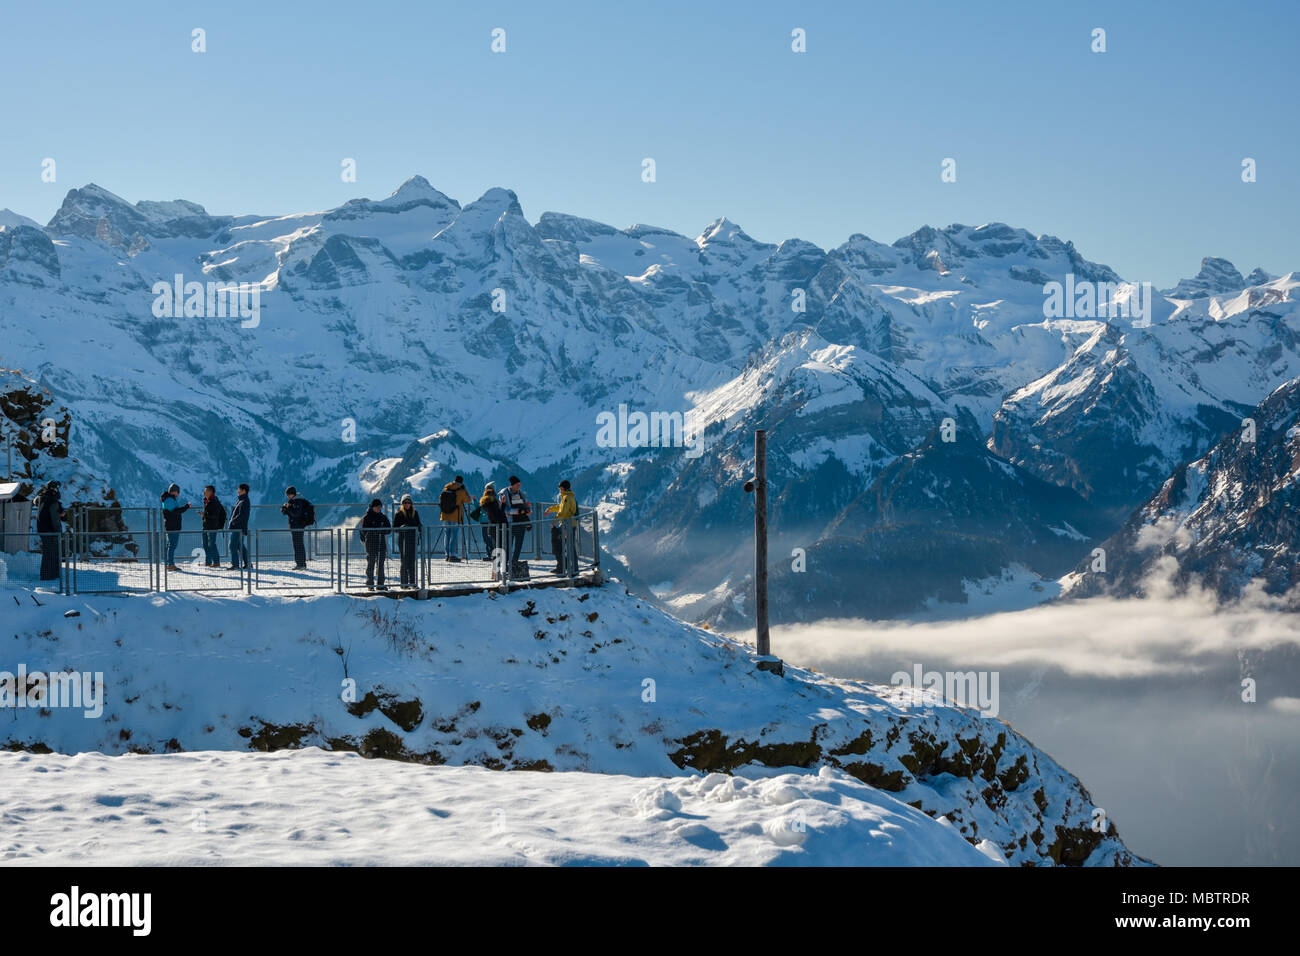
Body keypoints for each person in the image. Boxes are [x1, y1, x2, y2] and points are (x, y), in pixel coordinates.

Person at [545, 479, 579, 577]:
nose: (559, 490)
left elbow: (562, 512)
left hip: (567, 525)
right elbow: (561, 507)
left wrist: (554, 521)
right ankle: (568, 568)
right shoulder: (567, 497)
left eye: (560, 488)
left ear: (563, 488)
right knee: (567, 547)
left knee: (569, 547)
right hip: (568, 525)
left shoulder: (567, 498)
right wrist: (550, 509)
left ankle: (573, 570)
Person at [33, 480, 65, 581]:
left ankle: (46, 575)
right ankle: (50, 575)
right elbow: (55, 519)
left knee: (47, 553)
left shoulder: (41, 498)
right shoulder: (53, 502)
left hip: (42, 530)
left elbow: (35, 500)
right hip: (51, 531)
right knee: (52, 553)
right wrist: (59, 532)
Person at [438, 475, 472, 563]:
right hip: (455, 516)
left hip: (445, 515)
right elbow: (468, 500)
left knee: (447, 535)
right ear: (461, 482)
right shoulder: (461, 490)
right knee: (454, 535)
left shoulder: (446, 487)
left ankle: (447, 554)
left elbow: (440, 498)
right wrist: (465, 490)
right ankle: (452, 555)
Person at [500, 475, 531, 569]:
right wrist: (516, 512)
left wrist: (527, 509)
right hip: (510, 523)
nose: (519, 486)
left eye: (520, 484)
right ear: (512, 485)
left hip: (521, 522)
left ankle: (514, 564)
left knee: (518, 545)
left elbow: (525, 505)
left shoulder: (521, 493)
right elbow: (503, 509)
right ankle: (505, 564)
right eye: (517, 484)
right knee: (508, 545)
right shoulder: (504, 494)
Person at [359, 498, 390, 590]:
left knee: (380, 564)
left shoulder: (383, 517)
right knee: (371, 564)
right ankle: (370, 584)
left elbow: (389, 529)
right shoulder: (366, 517)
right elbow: (364, 531)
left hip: (381, 544)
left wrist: (382, 530)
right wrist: (375, 531)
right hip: (371, 544)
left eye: (380, 507)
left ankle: (380, 584)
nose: (378, 509)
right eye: (377, 507)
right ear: (372, 507)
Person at [280, 486, 315, 569]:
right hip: (296, 525)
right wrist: (285, 509)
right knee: (297, 544)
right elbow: (291, 513)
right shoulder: (294, 501)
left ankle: (301, 564)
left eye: (288, 494)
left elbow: (296, 514)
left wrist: (288, 508)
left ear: (292, 494)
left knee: (298, 545)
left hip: (298, 526)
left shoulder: (297, 501)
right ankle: (300, 563)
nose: (287, 496)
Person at [392, 494, 421, 587]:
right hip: (403, 540)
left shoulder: (415, 513)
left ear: (411, 503)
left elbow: (418, 523)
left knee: (412, 561)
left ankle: (412, 583)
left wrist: (420, 527)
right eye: (405, 502)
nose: (407, 504)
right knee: (404, 562)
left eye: (408, 502)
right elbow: (394, 528)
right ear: (402, 503)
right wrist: (401, 528)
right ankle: (404, 583)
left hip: (412, 539)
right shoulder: (399, 514)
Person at [161, 483, 190, 571]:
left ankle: (169, 563)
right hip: (172, 526)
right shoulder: (169, 500)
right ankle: (170, 564)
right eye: (178, 492)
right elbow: (175, 512)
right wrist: (186, 507)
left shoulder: (169, 499)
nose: (178, 494)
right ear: (175, 492)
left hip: (172, 525)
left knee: (170, 545)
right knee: (172, 545)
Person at [476, 482, 507, 565]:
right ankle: (498, 568)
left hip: (489, 524)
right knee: (498, 546)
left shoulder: (485, 502)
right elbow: (498, 514)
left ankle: (495, 564)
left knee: (490, 541)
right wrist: (503, 504)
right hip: (496, 525)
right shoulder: (492, 502)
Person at [200, 485, 226, 567]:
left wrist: (204, 514)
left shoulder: (214, 502)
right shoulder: (208, 501)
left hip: (212, 527)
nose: (204, 492)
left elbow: (215, 515)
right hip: (206, 526)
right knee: (205, 544)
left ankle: (216, 562)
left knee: (211, 544)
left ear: (211, 492)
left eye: (206, 491)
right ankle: (208, 562)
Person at [227, 483, 251, 570]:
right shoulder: (242, 500)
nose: (238, 491)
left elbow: (243, 515)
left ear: (244, 490)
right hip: (240, 527)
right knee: (240, 545)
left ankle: (235, 564)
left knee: (232, 545)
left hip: (238, 527)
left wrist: (233, 521)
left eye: (239, 489)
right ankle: (248, 563)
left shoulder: (244, 501)